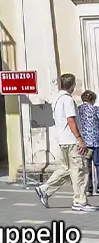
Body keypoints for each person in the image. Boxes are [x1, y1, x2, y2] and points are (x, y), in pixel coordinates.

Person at [37, 73, 95, 212]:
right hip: (72, 140)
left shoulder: (56, 98)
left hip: (63, 140)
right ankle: (80, 201)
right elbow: (71, 120)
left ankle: (44, 189)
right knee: (80, 170)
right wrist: (80, 139)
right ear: (73, 85)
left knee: (66, 169)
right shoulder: (68, 100)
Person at [81, 91, 99, 195]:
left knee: (86, 166)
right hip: (96, 142)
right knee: (97, 164)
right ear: (92, 99)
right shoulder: (96, 109)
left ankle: (88, 188)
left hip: (84, 143)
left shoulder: (79, 109)